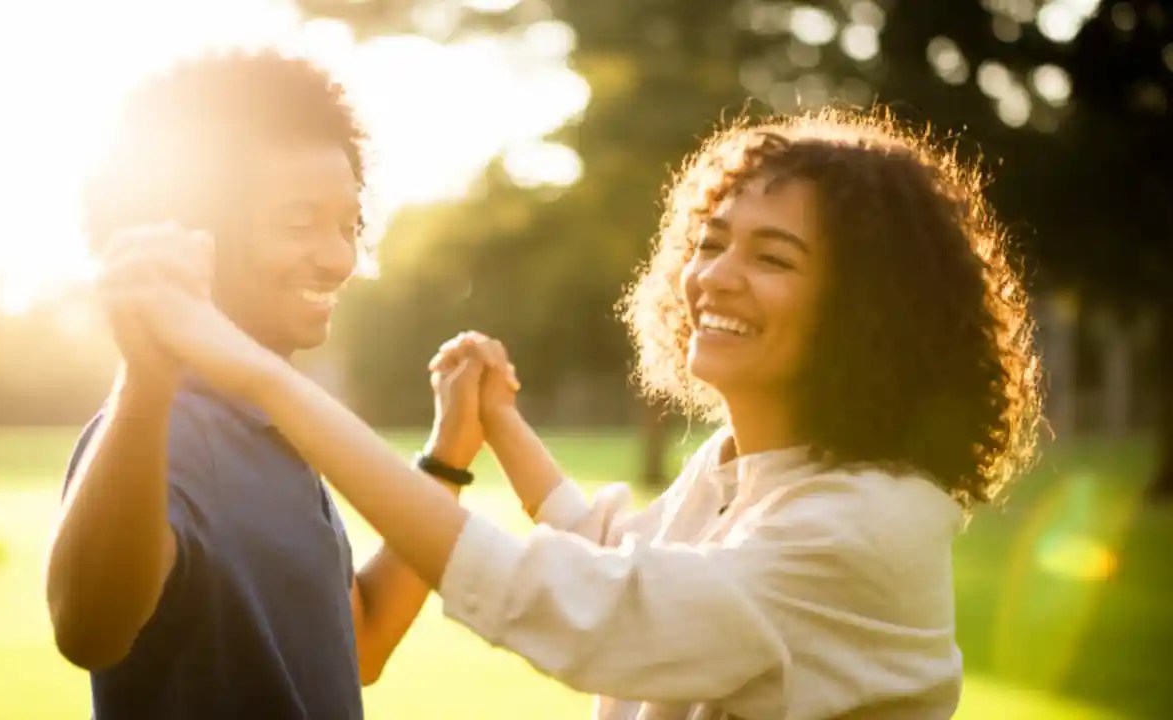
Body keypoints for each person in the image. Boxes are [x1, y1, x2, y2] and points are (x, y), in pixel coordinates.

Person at [108, 107, 1042, 719]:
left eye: (774, 257)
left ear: (863, 312)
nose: (716, 273)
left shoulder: (858, 527)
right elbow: (621, 551)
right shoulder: (740, 470)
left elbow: (592, 610)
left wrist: (264, 379)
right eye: (712, 241)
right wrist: (496, 430)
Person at [44, 51, 499, 719]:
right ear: (191, 235)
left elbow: (361, 643)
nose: (340, 257)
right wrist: (145, 384)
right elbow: (87, 631)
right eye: (299, 223)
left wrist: (449, 454)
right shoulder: (169, 427)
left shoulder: (277, 428)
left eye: (349, 226)